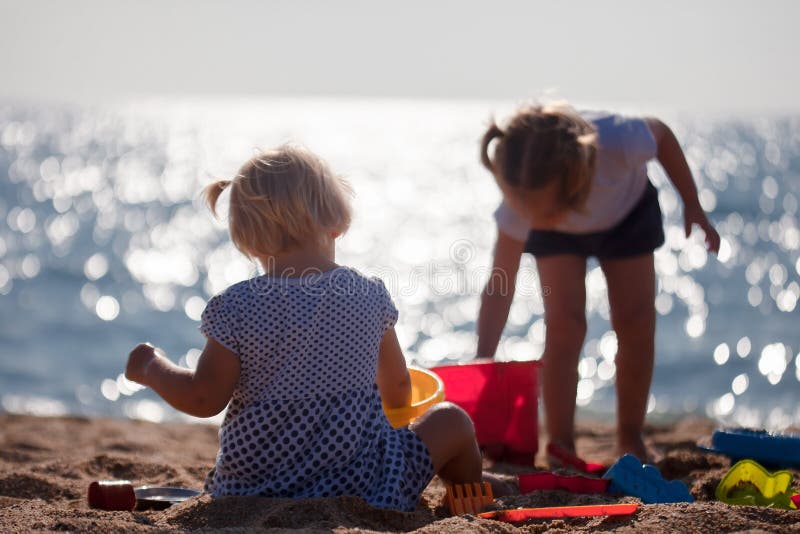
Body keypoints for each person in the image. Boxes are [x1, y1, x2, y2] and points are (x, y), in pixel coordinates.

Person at [124, 145, 485, 511]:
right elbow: (397, 389)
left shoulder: (235, 307)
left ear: (247, 237)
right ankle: (470, 493)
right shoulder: (367, 294)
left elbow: (203, 398)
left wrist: (152, 367)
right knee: (451, 421)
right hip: (358, 488)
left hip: (249, 492)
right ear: (337, 219)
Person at [475, 103, 720, 462]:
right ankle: (560, 442)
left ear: (573, 185)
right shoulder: (525, 207)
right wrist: (483, 358)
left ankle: (630, 436)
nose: (526, 220)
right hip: (559, 236)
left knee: (635, 321)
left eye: (536, 213)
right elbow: (500, 285)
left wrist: (692, 203)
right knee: (564, 326)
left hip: (627, 215)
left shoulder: (618, 139)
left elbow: (662, 136)